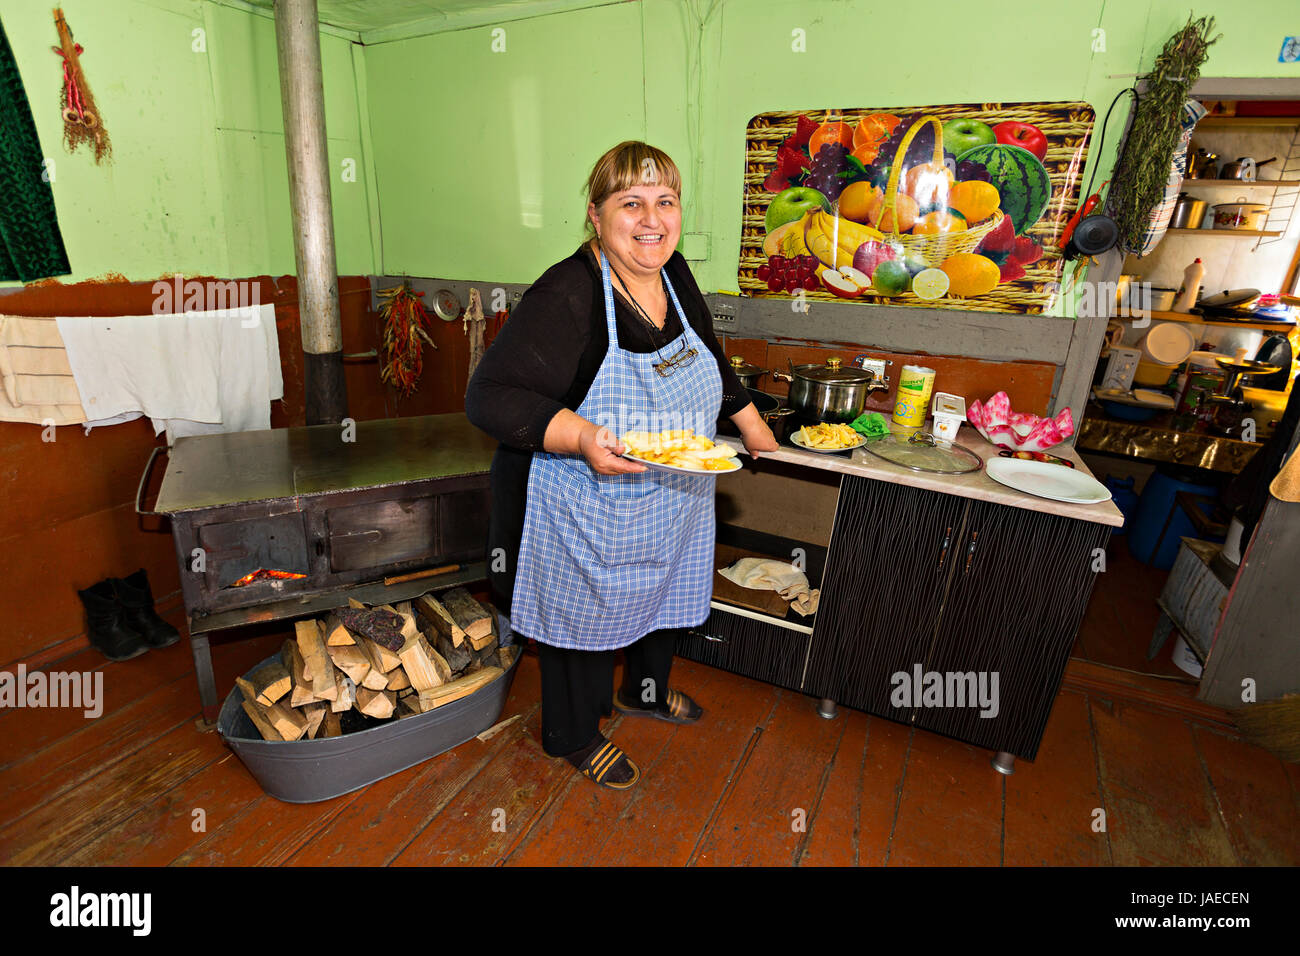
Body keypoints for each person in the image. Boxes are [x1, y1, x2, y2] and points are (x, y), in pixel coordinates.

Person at [465, 141, 778, 789]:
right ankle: (572, 734)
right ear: (596, 214)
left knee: (662, 592)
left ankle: (643, 691)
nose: (651, 218)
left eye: (665, 201)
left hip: (674, 492)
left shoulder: (673, 271)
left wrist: (751, 424)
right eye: (630, 202)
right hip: (580, 498)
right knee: (583, 612)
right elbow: (491, 396)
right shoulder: (571, 291)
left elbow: (710, 355)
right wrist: (580, 436)